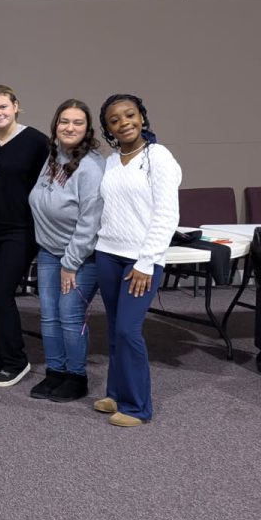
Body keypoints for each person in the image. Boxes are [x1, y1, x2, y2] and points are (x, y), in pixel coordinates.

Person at [93, 94, 181, 426]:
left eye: (129, 115)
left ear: (142, 118)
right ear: (108, 129)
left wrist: (146, 262)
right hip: (108, 254)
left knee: (129, 331)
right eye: (114, 120)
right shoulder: (113, 161)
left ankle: (137, 406)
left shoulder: (158, 157)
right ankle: (116, 393)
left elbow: (166, 215)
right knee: (115, 329)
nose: (123, 122)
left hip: (139, 261)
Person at [0, 85, 50, 387]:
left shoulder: (35, 141)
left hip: (20, 229)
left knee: (3, 292)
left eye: (3, 107)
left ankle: (17, 361)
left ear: (16, 106)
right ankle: (1, 357)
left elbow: (45, 185)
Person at [27, 99, 106, 402]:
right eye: (64, 121)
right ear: (55, 125)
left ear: (87, 129)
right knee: (48, 315)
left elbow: (91, 222)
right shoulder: (53, 158)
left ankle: (76, 376)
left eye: (77, 122)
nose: (69, 127)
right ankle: (55, 372)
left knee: (69, 315)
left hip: (81, 257)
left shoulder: (91, 168)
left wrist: (71, 263)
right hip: (49, 250)